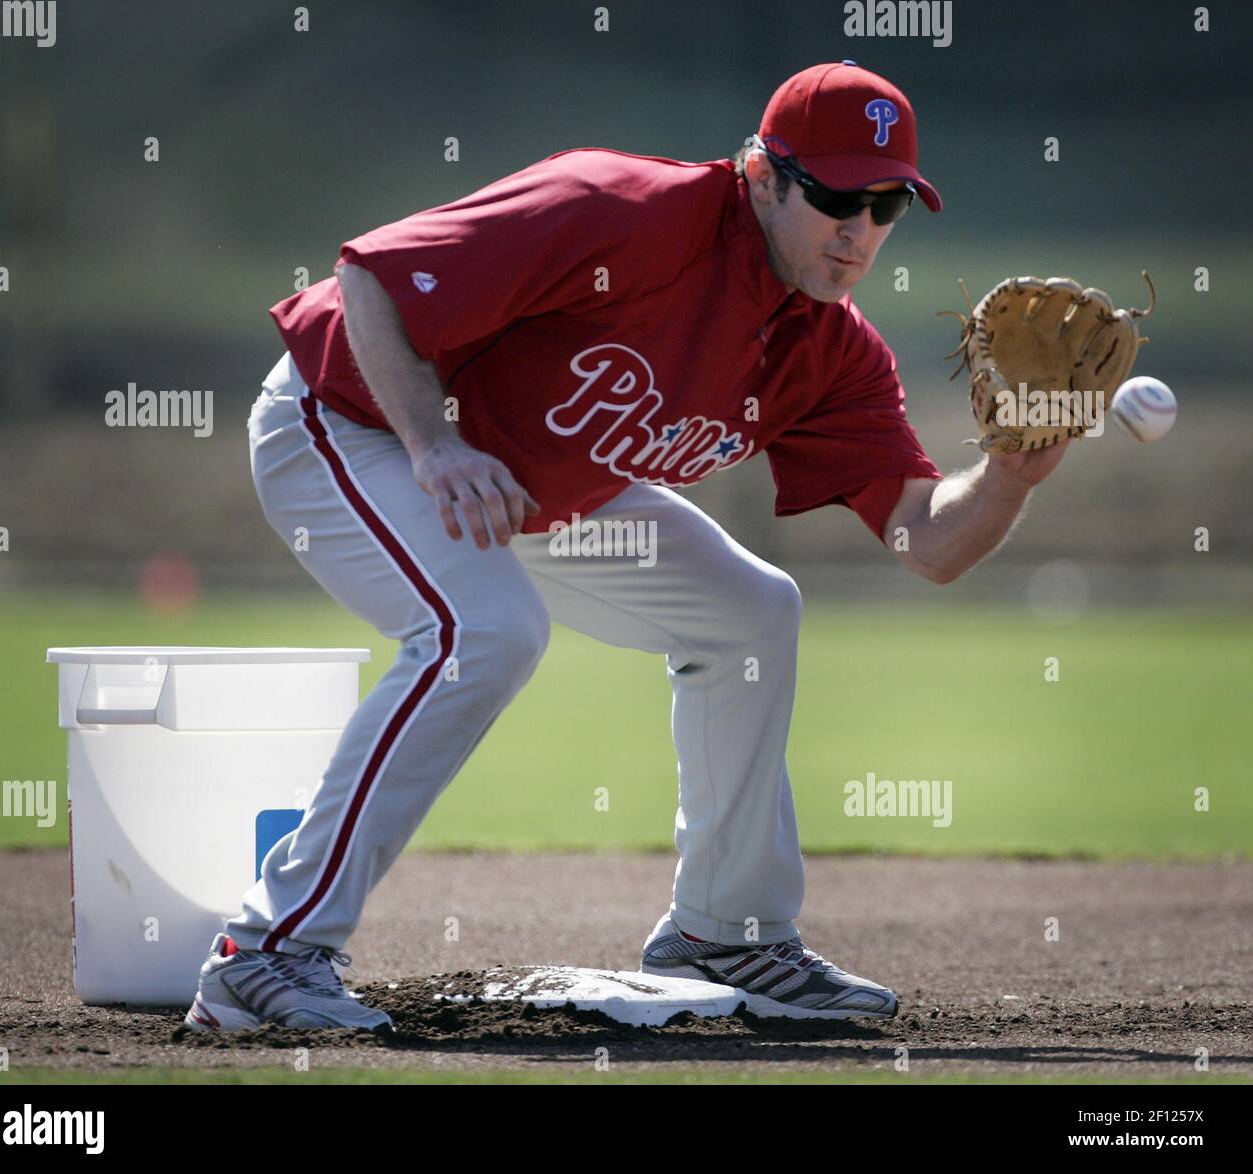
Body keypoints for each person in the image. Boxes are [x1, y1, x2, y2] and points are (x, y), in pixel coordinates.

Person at [184, 61, 1068, 1032]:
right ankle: (268, 953)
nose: (859, 228)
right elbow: (373, 275)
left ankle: (725, 931)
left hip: (528, 486)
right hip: (350, 419)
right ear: (763, 175)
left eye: (887, 202)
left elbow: (928, 540)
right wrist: (434, 442)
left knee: (752, 612)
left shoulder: (830, 348)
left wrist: (1012, 473)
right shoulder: (621, 207)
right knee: (483, 629)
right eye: (835, 195)